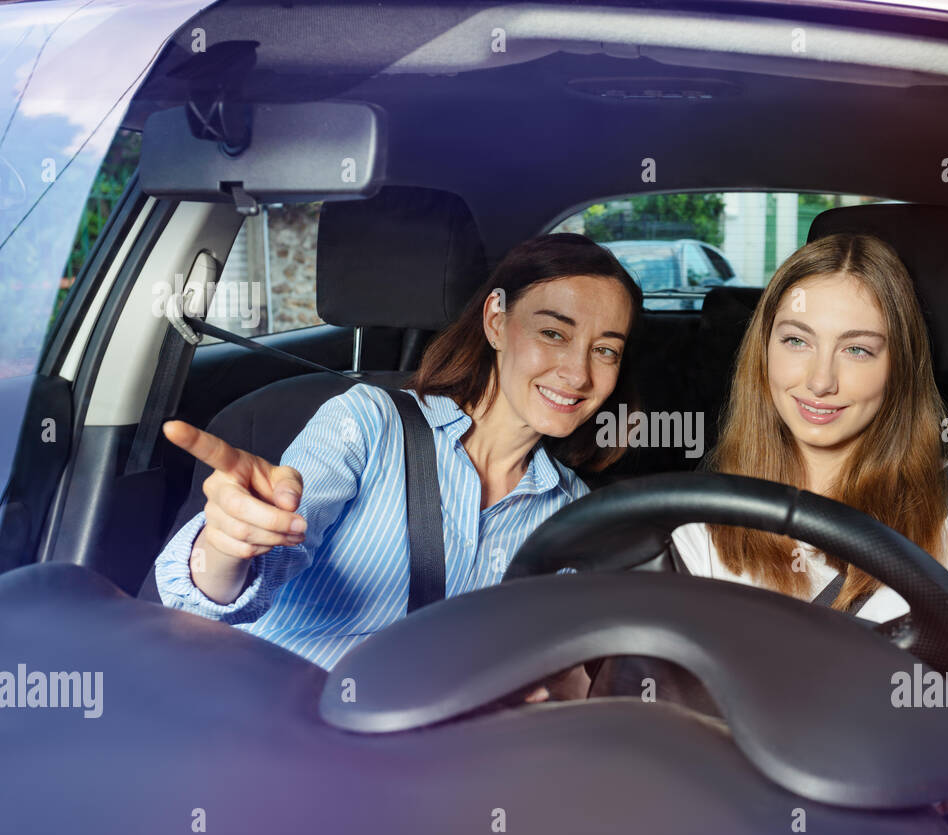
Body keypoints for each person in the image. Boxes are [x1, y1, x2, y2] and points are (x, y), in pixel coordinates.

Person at [154, 233, 640, 689]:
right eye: (554, 333)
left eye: (604, 351)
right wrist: (226, 548)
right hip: (277, 730)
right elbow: (240, 579)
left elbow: (554, 671)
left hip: (436, 757)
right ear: (496, 320)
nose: (577, 373)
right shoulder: (367, 423)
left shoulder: (573, 509)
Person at [670, 232, 948, 804]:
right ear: (763, 349)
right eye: (797, 341)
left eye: (858, 349)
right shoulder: (704, 511)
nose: (821, 381)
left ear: (900, 365)